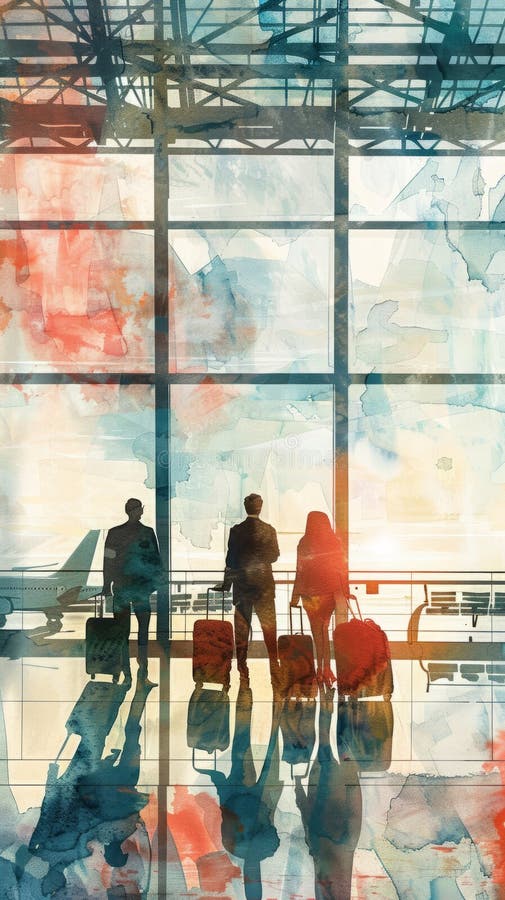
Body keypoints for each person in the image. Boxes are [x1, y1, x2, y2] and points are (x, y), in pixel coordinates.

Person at [214, 493, 280, 689]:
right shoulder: (269, 530)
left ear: (246, 508)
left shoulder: (236, 531)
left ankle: (243, 668)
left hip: (242, 588)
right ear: (260, 507)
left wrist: (230, 579)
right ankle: (273, 664)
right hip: (264, 588)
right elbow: (275, 555)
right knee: (269, 629)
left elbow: (230, 561)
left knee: (242, 631)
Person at [103, 499, 161, 686]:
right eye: (140, 510)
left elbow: (108, 562)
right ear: (137, 511)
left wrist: (106, 585)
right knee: (142, 631)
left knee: (122, 633)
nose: (141, 513)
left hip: (121, 589)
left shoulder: (114, 533)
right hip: (140, 590)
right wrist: (153, 586)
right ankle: (142, 673)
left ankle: (123, 673)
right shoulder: (147, 533)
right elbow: (155, 562)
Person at [290, 511, 346, 689]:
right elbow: (341, 569)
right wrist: (345, 591)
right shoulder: (334, 542)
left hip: (309, 594)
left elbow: (299, 571)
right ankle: (327, 668)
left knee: (317, 633)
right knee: (324, 629)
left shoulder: (304, 543)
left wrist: (294, 596)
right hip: (329, 593)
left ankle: (319, 670)